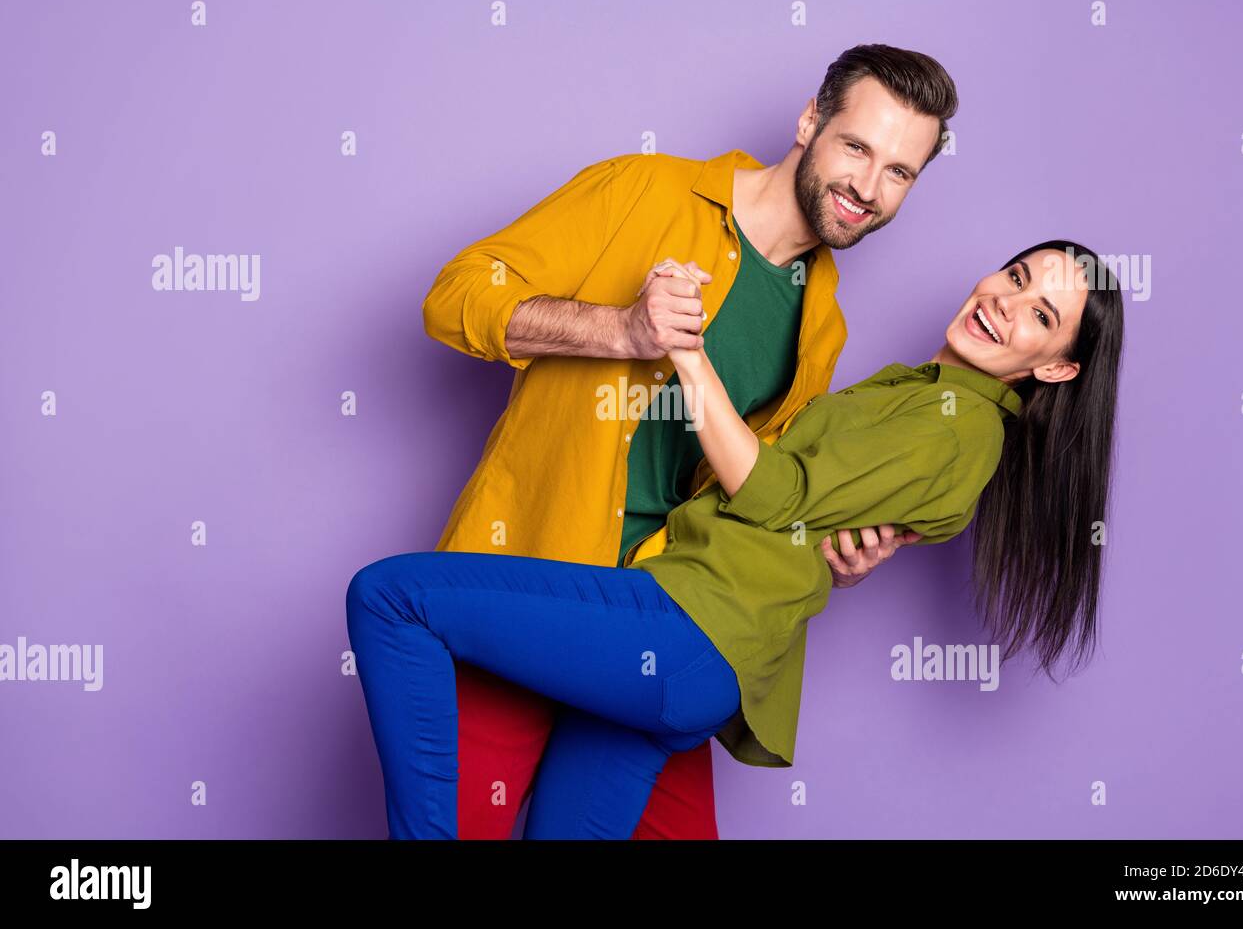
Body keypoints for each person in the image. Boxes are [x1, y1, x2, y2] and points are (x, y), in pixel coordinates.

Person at [347, 240, 1125, 838]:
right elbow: (803, 515)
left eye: (1042, 316)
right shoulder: (917, 394)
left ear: (1056, 369)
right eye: (1018, 277)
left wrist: (682, 349)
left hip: (688, 625)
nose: (1006, 302)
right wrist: (832, 555)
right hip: (698, 665)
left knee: (393, 599)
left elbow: (770, 491)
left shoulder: (957, 429)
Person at [420, 44, 960, 838]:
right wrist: (618, 329)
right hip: (525, 581)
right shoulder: (645, 189)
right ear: (810, 121)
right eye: (856, 147)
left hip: (658, 622)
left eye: (899, 173)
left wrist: (826, 553)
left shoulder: (823, 327)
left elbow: (754, 501)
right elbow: (453, 296)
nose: (867, 189)